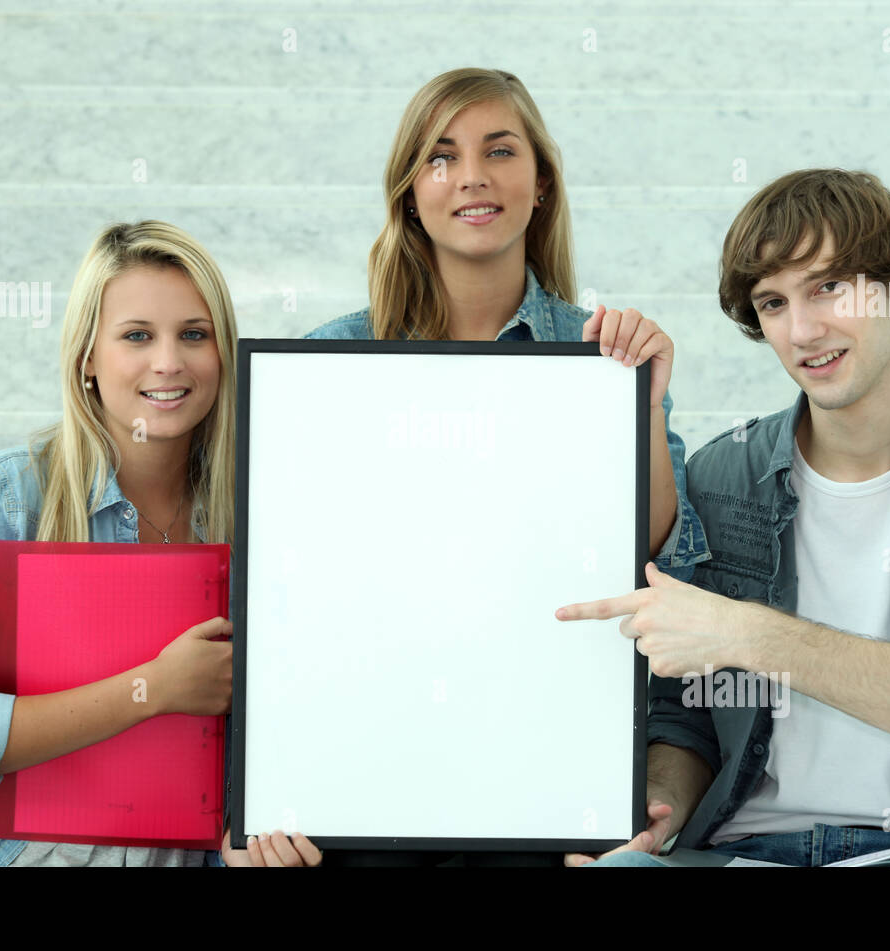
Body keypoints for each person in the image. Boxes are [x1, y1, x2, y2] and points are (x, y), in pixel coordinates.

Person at [557, 169, 890, 868]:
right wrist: (659, 805)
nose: (803, 330)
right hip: (746, 850)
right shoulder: (724, 474)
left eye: (829, 286)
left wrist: (748, 633)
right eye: (773, 302)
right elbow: (688, 720)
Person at [302, 67, 709, 865]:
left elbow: (660, 552)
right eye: (441, 156)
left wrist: (645, 400)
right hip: (372, 742)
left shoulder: (601, 353)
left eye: (500, 150)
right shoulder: (334, 358)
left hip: (548, 745)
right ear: (410, 191)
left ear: (541, 184)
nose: (473, 176)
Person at [0, 220, 318, 867]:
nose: (168, 361)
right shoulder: (4, 500)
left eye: (194, 335)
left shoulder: (259, 516)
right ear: (88, 356)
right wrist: (155, 688)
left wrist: (241, 845)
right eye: (137, 335)